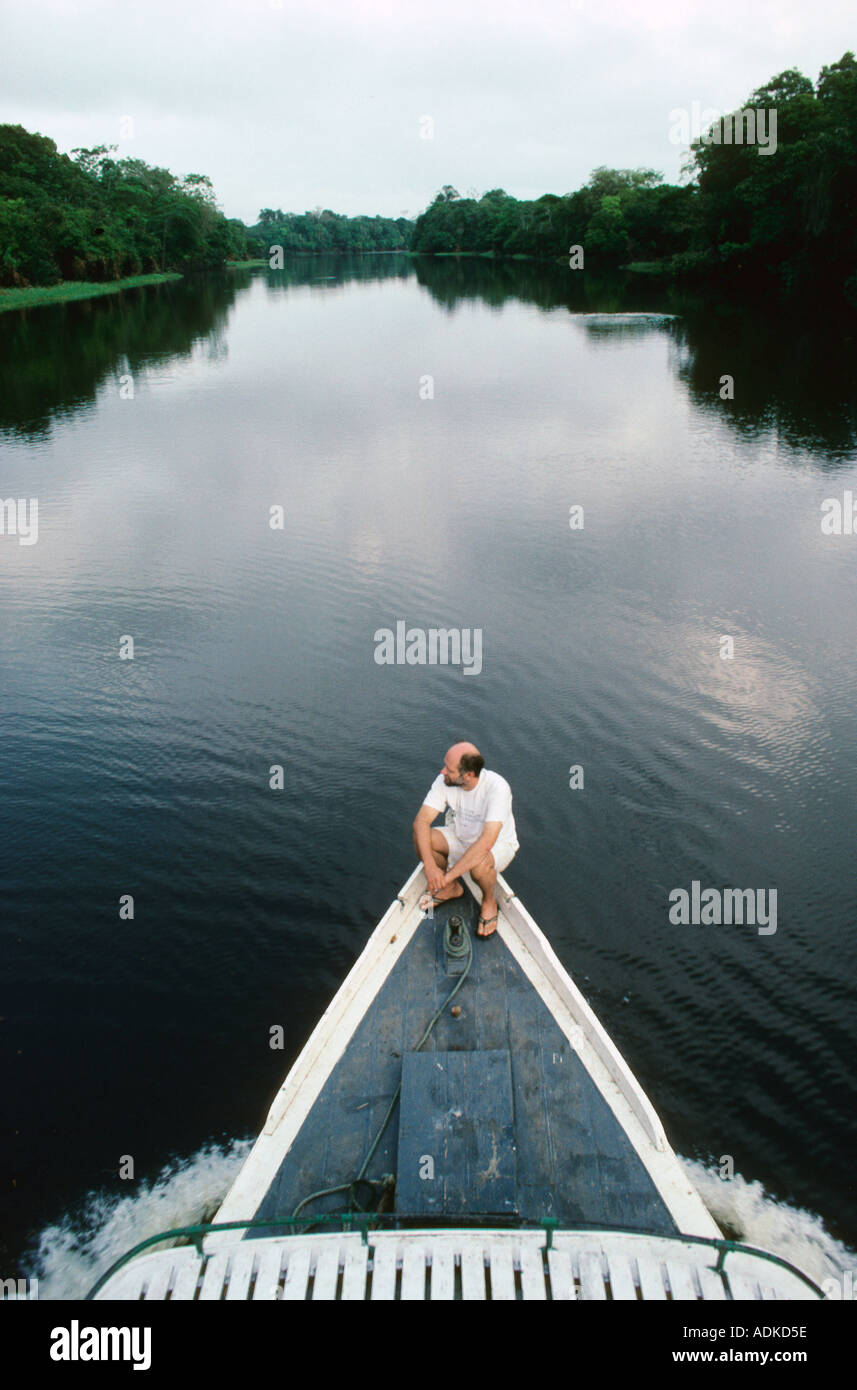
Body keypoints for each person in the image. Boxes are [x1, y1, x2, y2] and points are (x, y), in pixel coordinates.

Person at [412, 742, 519, 937]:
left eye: (449, 769)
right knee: (423, 837)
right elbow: (421, 821)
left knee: (479, 867)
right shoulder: (444, 780)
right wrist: (430, 866)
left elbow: (486, 842)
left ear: (468, 775)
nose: (442, 771)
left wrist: (446, 876)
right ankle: (452, 889)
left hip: (496, 846)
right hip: (461, 836)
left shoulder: (497, 788)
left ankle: (488, 902)